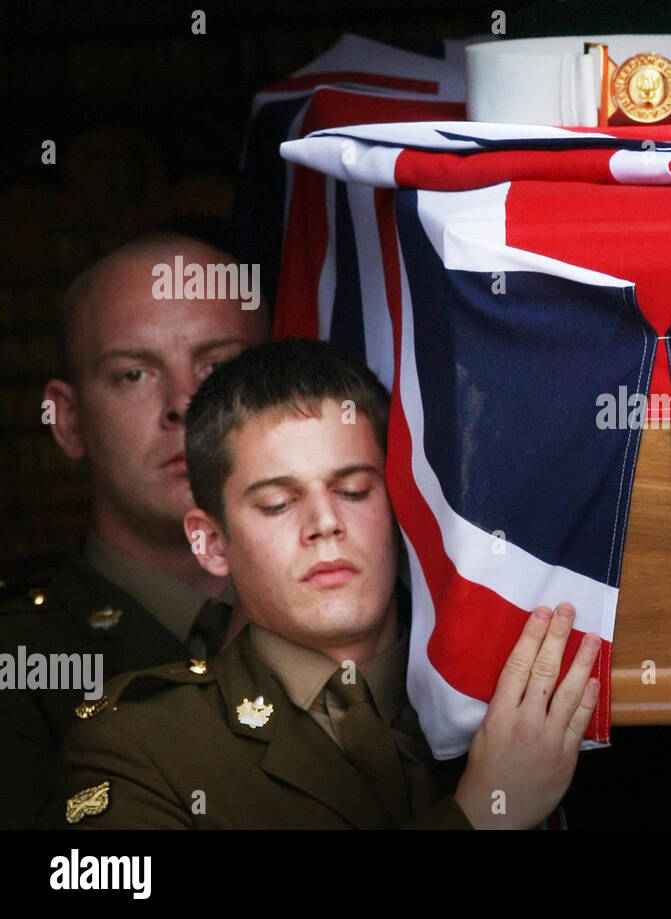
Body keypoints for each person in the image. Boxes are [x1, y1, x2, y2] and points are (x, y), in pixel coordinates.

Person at [57, 338, 599, 828]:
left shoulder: (499, 687)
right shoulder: (143, 747)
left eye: (355, 491)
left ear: (401, 505)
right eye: (278, 502)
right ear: (212, 543)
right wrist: (479, 815)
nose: (324, 523)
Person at [0, 233, 267, 827]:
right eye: (132, 375)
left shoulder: (379, 614)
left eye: (219, 366)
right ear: (67, 422)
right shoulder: (18, 658)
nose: (184, 403)